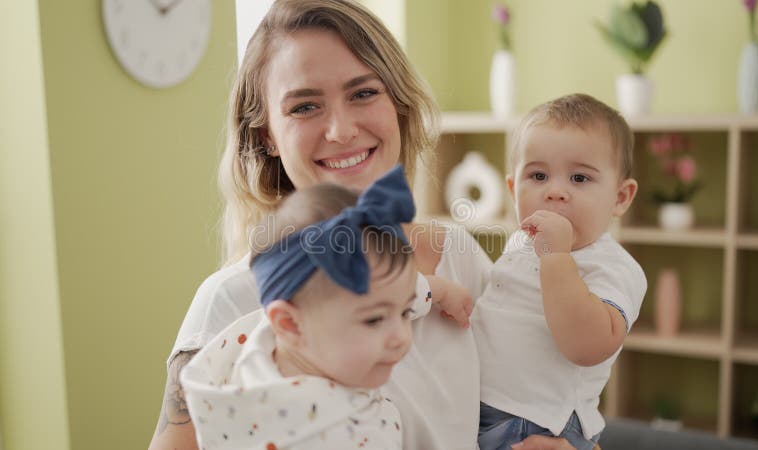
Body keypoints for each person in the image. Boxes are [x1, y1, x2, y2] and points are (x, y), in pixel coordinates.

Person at [148, 1, 576, 449]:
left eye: (363, 93)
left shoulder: (458, 257)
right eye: (305, 106)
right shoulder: (230, 299)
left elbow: (532, 406)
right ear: (266, 137)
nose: (342, 130)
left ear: (398, 105)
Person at [181, 167, 420, 449]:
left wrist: (437, 292)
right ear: (289, 324)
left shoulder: (263, 342)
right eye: (374, 320)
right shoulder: (316, 436)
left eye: (406, 312)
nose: (402, 336)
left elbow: (392, 292)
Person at [473, 94, 647, 450]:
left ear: (620, 198)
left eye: (580, 178)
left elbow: (587, 346)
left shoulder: (613, 266)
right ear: (513, 190)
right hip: (480, 411)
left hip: (538, 428)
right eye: (538, 175)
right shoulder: (518, 245)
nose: (555, 192)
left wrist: (556, 257)